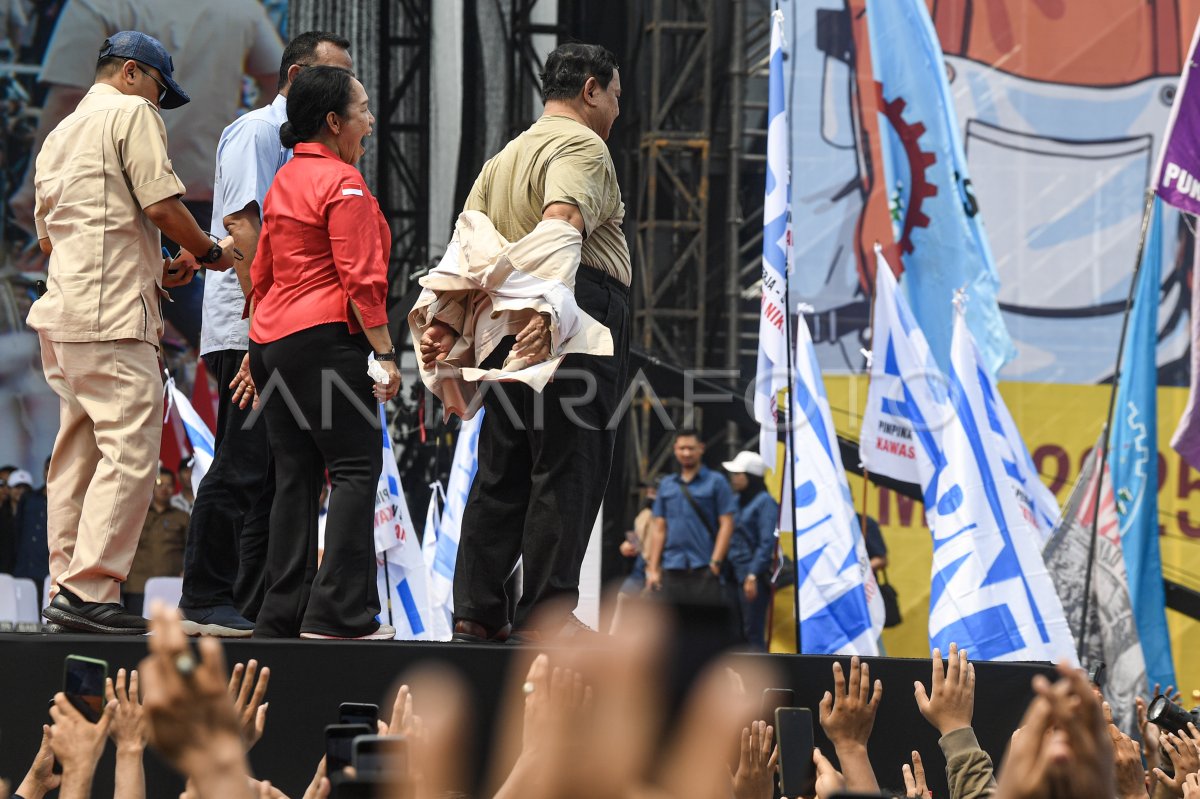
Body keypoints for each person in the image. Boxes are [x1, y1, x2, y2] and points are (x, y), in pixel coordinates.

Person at [28, 31, 236, 634]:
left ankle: (65, 588)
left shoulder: (57, 135)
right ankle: (91, 589)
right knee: (131, 450)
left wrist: (154, 263)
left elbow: (53, 240)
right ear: (130, 72)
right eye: (158, 89)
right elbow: (163, 207)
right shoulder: (132, 112)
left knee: (76, 455)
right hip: (113, 316)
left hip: (64, 315)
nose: (158, 102)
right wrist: (209, 251)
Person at [431, 42, 632, 643]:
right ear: (591, 89)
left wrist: (447, 332)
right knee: (568, 462)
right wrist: (549, 308)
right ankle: (546, 616)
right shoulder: (582, 145)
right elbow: (563, 220)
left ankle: (477, 611)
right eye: (615, 95)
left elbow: (465, 250)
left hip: (501, 317)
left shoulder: (502, 159)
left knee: (505, 464)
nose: (617, 110)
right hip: (571, 309)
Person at [180, 31, 354, 638]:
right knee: (243, 462)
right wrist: (262, 326)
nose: (348, 90)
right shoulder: (257, 132)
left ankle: (250, 606)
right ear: (299, 77)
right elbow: (243, 225)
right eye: (338, 76)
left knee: (278, 475)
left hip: (284, 326)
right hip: (250, 327)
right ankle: (205, 596)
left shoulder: (307, 147)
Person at [246, 65, 400, 640]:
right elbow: (362, 280)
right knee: (356, 469)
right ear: (334, 122)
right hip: (325, 340)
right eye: (363, 110)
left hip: (273, 341)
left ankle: (282, 613)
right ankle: (337, 613)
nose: (370, 121)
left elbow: (262, 271)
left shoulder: (286, 178)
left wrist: (257, 349)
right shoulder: (344, 183)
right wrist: (386, 355)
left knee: (295, 477)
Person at [644, 430, 737, 606]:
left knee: (704, 621)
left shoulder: (716, 481)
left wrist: (716, 562)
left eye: (691, 448)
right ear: (675, 450)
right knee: (671, 621)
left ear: (701, 448)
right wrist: (653, 568)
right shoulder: (667, 485)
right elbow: (659, 529)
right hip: (672, 566)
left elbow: (727, 524)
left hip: (704, 566)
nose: (686, 453)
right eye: (682, 448)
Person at [721, 450, 778, 651]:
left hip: (752, 578)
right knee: (734, 632)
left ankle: (757, 670)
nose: (734, 478)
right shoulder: (736, 501)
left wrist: (753, 574)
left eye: (738, 474)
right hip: (732, 575)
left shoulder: (765, 502)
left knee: (752, 632)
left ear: (751, 477)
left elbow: (766, 542)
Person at [124, 467, 190, 616]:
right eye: (160, 484)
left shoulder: (182, 517)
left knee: (170, 628)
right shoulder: (137, 515)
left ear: (174, 488)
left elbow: (191, 549)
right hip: (138, 585)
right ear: (151, 487)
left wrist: (186, 571)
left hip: (171, 585)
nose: (164, 489)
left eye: (169, 485)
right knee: (136, 629)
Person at [11, 460, 48, 588]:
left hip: (48, 570)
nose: (50, 472)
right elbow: (17, 531)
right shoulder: (29, 498)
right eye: (47, 468)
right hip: (24, 569)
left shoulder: (68, 500)